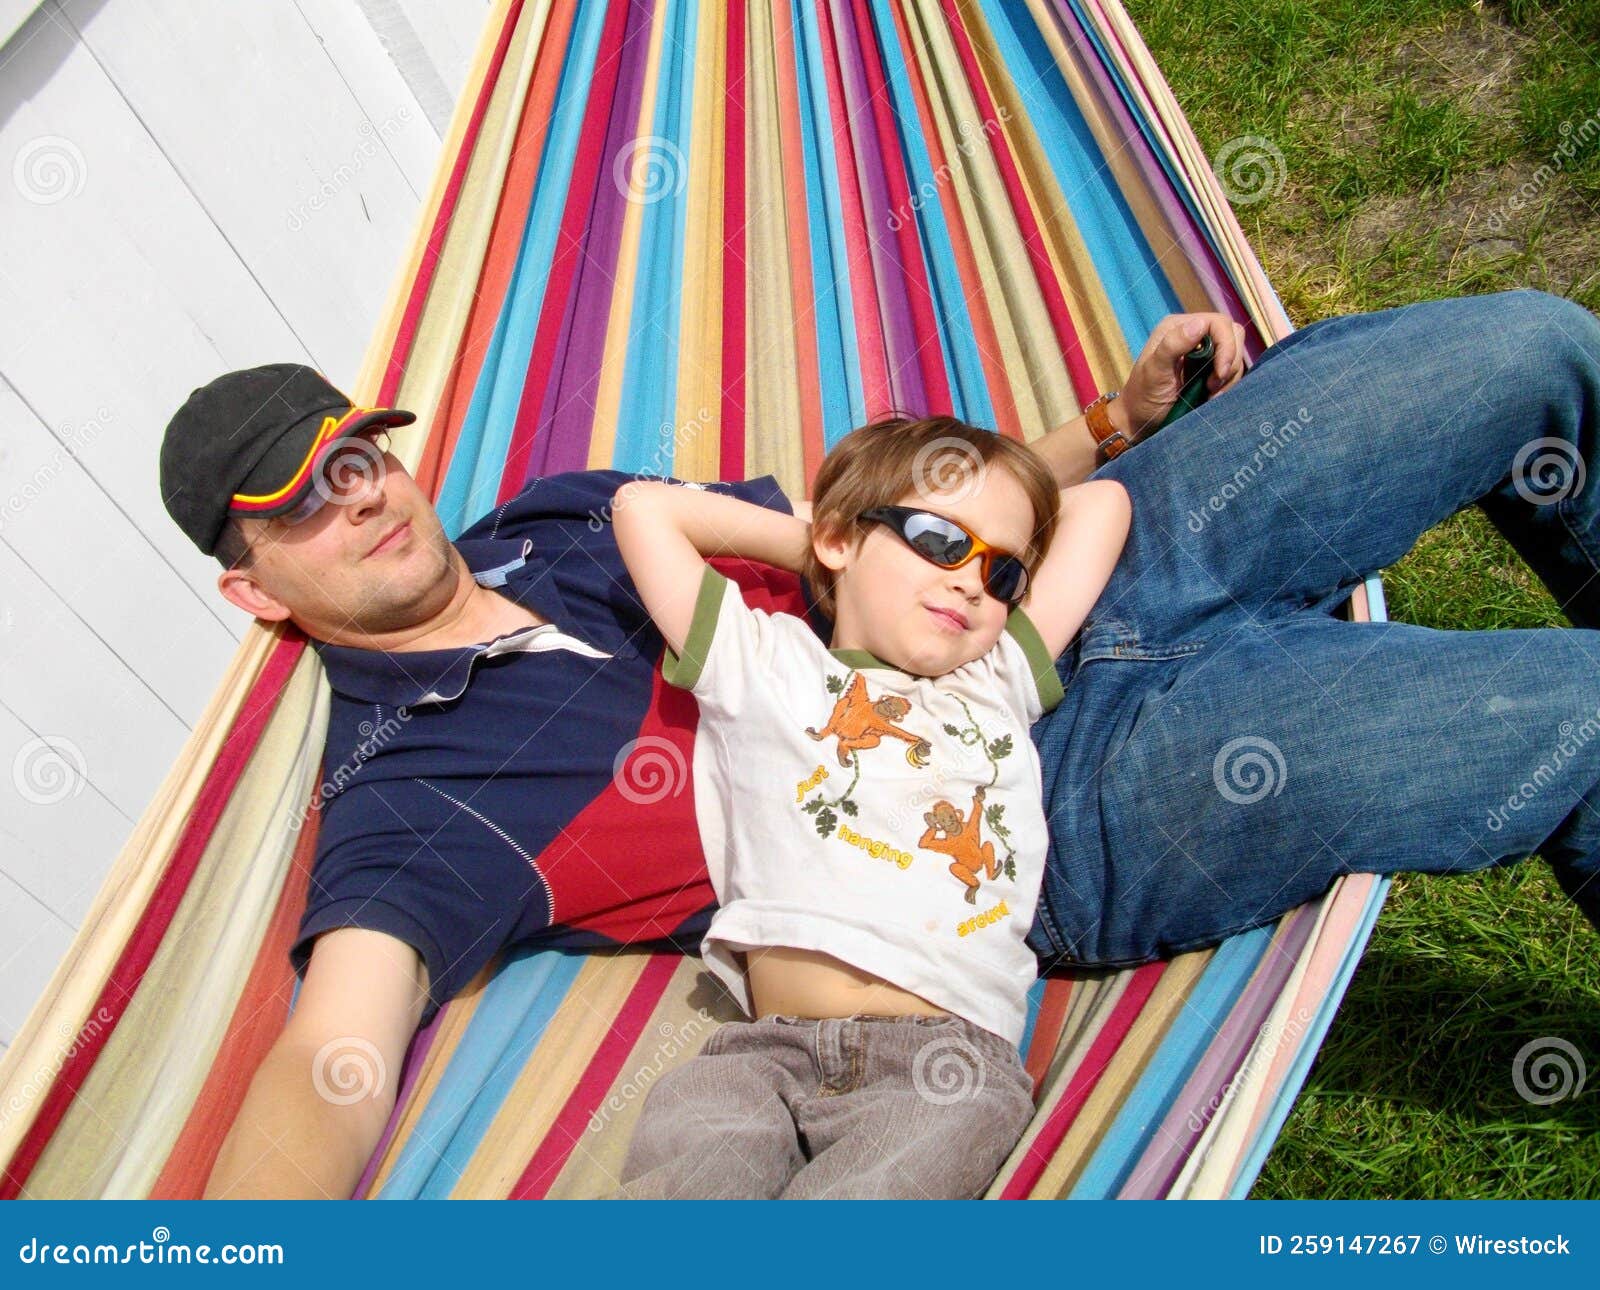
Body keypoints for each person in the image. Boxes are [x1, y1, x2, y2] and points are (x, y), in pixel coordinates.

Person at [159, 289, 1600, 1200]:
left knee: (1531, 350)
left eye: (358, 456)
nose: (359, 499)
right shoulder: (412, 796)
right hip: (1065, 815)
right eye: (299, 505)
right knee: (1572, 714)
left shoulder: (553, 513)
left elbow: (874, 534)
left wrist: (1102, 428)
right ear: (252, 592)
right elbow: (327, 1057)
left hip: (1053, 581)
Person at [605, 418, 1128, 1198]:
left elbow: (1103, 505)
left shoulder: (993, 684)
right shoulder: (763, 662)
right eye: (940, 541)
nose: (971, 582)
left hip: (943, 1065)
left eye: (1003, 572)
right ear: (840, 539)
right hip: (758, 1057)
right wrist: (824, 536)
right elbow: (644, 508)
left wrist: (881, 539)